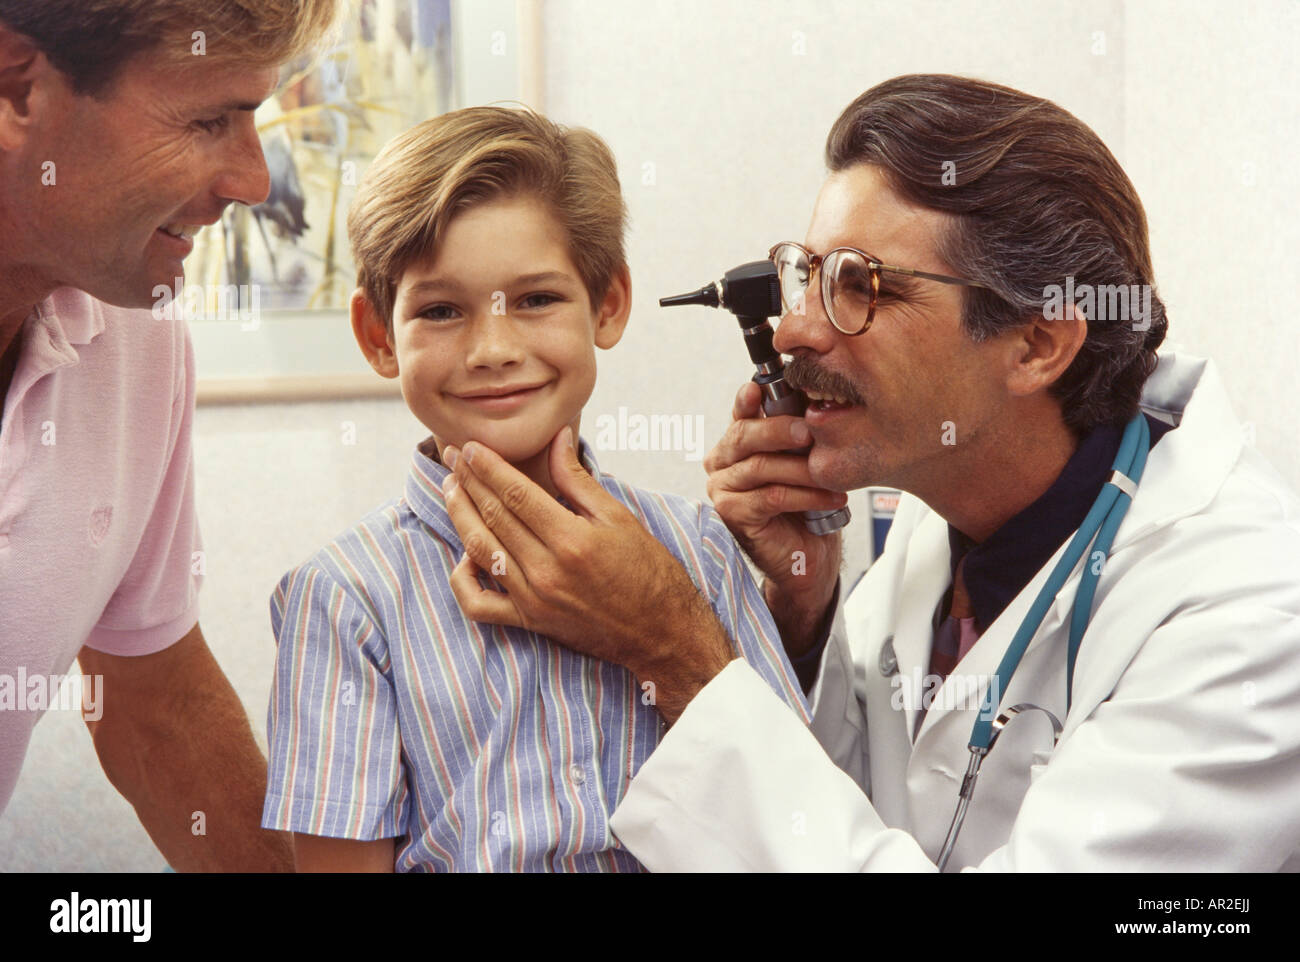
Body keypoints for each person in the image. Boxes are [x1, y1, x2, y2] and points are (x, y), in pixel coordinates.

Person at [439, 75, 1300, 870]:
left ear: (1038, 342)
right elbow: (852, 808)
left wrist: (674, 649)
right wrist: (804, 611)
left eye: (860, 286)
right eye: (807, 275)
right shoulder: (945, 501)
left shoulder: (1248, 620)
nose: (792, 332)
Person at [260, 106, 809, 872]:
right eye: (441, 310)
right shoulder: (345, 599)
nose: (493, 349)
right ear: (379, 336)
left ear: (608, 304)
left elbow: (798, 821)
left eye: (536, 299)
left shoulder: (700, 549)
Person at [0, 0, 338, 870]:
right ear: (15, 88)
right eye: (208, 119)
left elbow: (152, 698)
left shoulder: (135, 335)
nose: (254, 181)